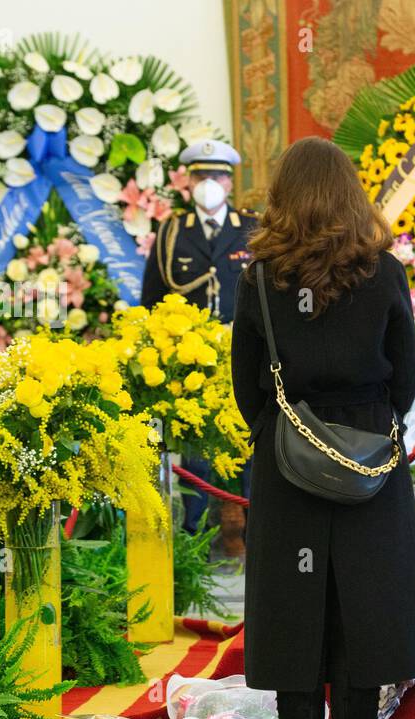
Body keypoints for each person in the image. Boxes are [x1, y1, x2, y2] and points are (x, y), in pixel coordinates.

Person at [230, 136, 415, 719]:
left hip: (289, 472)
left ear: (283, 197)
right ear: (352, 194)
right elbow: (406, 380)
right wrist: (366, 426)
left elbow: (244, 388)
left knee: (295, 635)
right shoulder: (384, 275)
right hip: (370, 469)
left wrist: (291, 439)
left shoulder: (259, 278)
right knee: (361, 633)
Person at [141, 138, 259, 534]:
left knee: (247, 445)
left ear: (229, 182)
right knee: (196, 451)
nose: (210, 182)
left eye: (218, 175)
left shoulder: (251, 228)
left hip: (242, 350)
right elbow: (152, 298)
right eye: (201, 175)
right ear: (188, 182)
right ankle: (196, 542)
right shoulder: (172, 231)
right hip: (190, 357)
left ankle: (256, 535)